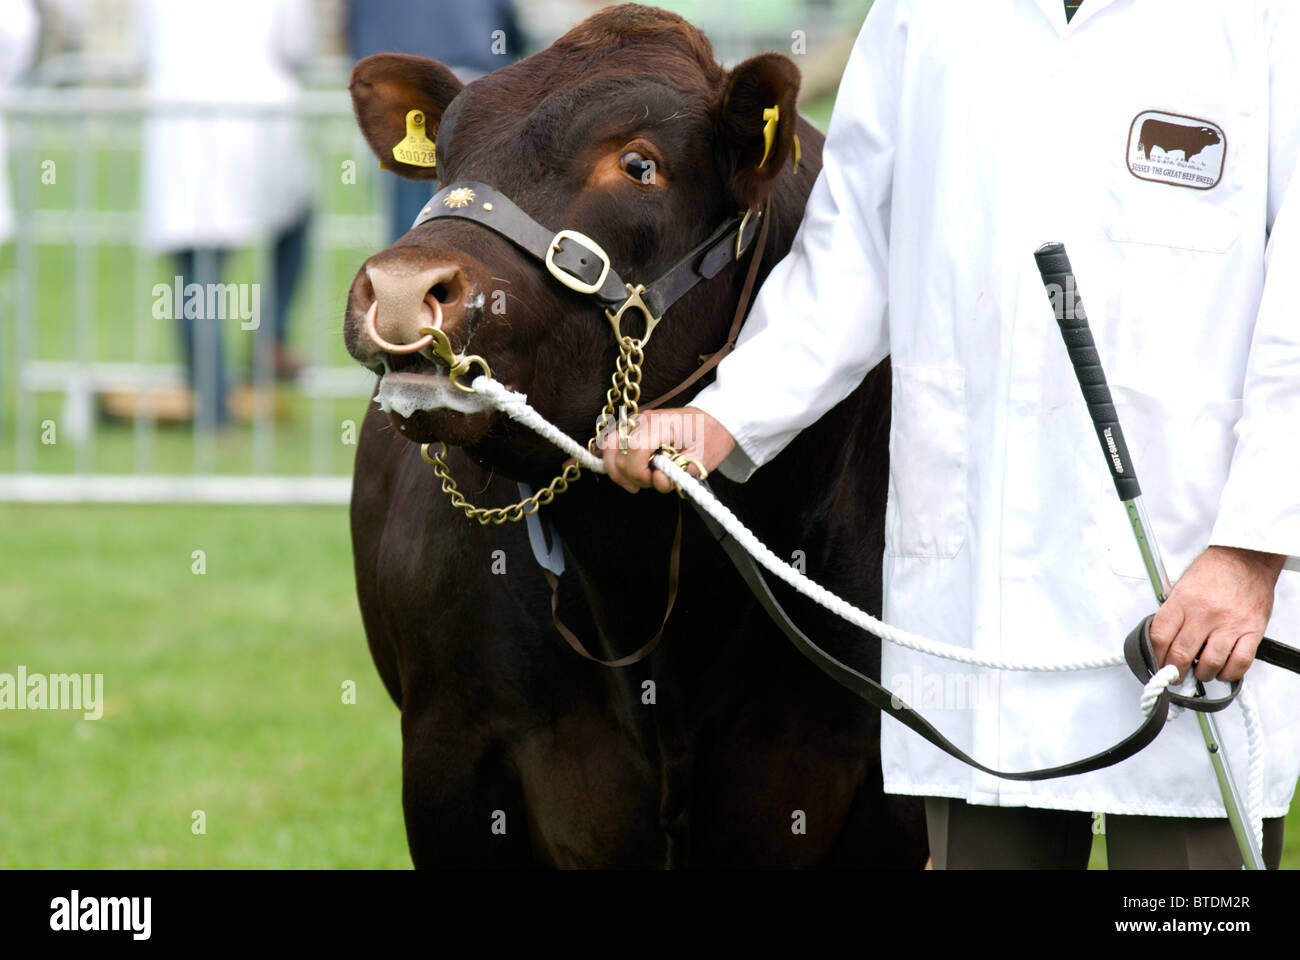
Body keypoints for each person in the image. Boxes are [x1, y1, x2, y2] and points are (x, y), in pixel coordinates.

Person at [603, 0, 1300, 869]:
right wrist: (723, 414)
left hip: (1193, 599)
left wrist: (1253, 548)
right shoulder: (921, 12)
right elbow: (851, 252)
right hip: (982, 615)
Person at [138, 0, 315, 427]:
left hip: (189, 123)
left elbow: (139, 52)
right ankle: (263, 345)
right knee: (210, 266)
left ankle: (222, 397)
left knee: (196, 272)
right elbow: (299, 44)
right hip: (252, 118)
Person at [346, 0, 522, 241]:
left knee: (407, 190)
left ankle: (410, 258)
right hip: (472, 76)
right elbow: (506, 23)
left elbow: (356, 26)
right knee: (478, 186)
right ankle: (471, 252)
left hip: (401, 83)